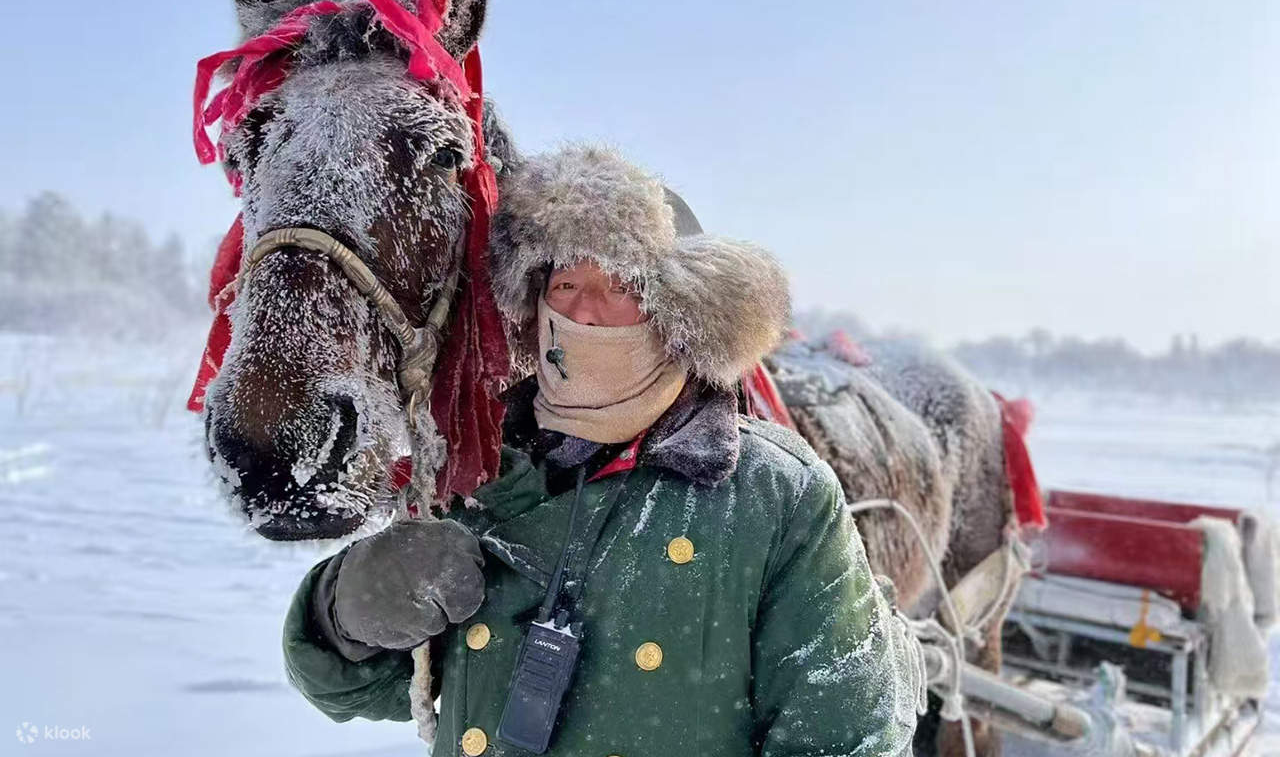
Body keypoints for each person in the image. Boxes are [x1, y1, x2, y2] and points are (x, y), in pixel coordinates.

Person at [281, 144, 921, 756]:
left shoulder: (774, 495)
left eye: (620, 285)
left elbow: (843, 738)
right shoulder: (478, 472)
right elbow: (378, 688)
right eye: (565, 282)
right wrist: (343, 612)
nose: (584, 313)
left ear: (679, 312)